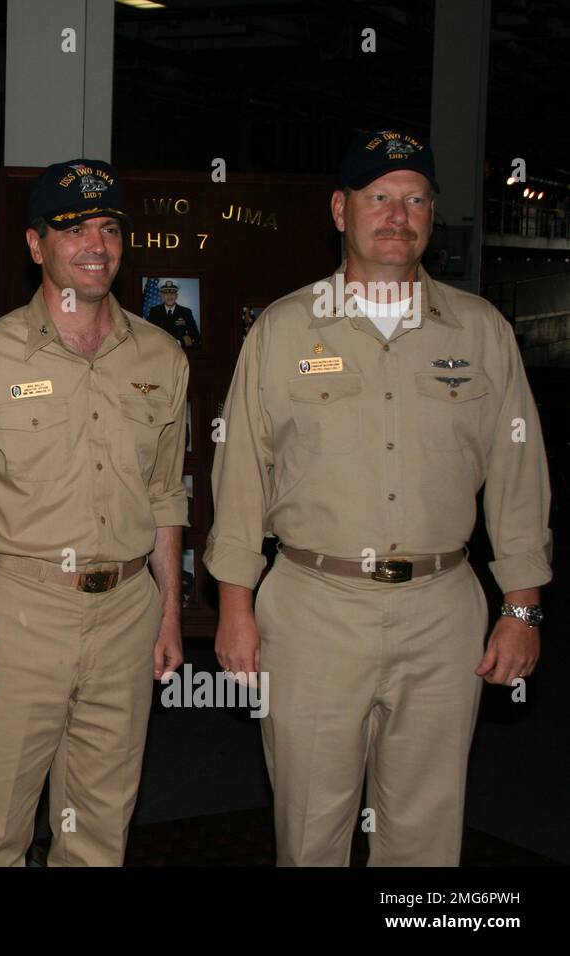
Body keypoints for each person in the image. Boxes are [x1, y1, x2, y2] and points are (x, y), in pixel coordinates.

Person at [205, 129, 550, 866]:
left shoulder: (481, 332)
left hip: (442, 610)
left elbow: (520, 475)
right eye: (380, 198)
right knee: (310, 826)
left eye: (416, 199)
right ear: (340, 210)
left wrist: (521, 607)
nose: (399, 215)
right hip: (313, 608)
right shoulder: (283, 329)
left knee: (427, 829)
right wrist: (234, 604)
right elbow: (240, 473)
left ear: (432, 215)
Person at [0, 159, 189, 866]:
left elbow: (164, 495)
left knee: (99, 829)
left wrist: (171, 612)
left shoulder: (160, 355)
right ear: (36, 246)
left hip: (127, 613)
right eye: (73, 227)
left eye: (109, 227)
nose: (96, 242)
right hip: (21, 610)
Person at [147, 280, 200, 347]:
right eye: (166, 294)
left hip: (180, 349)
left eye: (172, 293)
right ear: (162, 296)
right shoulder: (154, 311)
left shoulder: (186, 312)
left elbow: (195, 336)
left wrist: (179, 343)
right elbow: (149, 333)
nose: (169, 296)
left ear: (176, 296)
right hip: (159, 348)